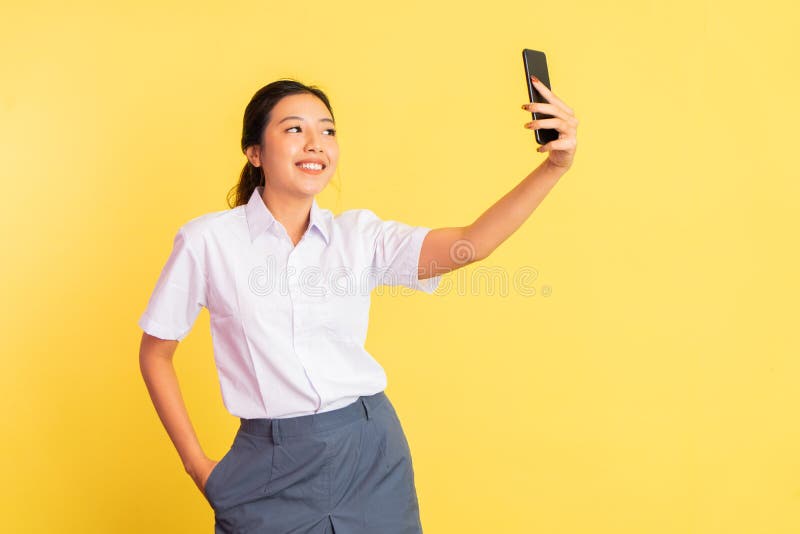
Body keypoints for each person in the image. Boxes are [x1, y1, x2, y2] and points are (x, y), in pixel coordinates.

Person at [138, 77, 578, 533]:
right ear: (254, 152)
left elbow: (471, 243)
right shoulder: (206, 242)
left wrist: (554, 167)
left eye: (327, 131)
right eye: (294, 130)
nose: (316, 144)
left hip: (369, 454)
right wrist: (199, 467)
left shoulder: (359, 237)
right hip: (266, 463)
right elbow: (155, 353)